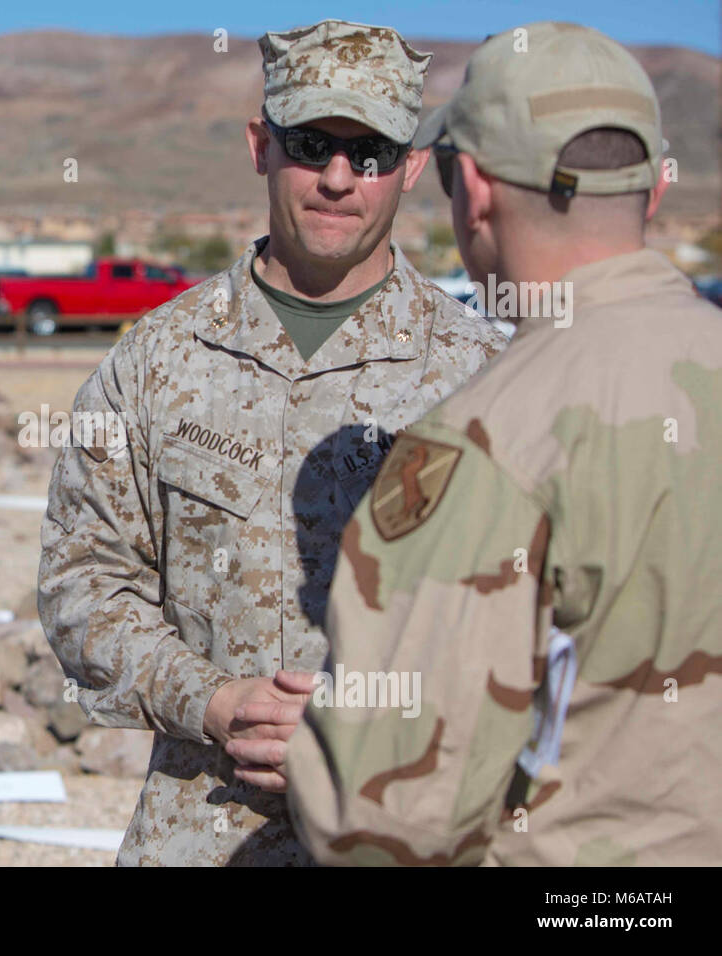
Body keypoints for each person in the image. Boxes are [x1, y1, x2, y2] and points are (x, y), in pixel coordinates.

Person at [38, 19, 506, 866]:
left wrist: (372, 727)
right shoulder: (156, 360)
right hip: (202, 836)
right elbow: (82, 582)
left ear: (408, 167)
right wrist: (215, 702)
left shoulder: (486, 375)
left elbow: (539, 623)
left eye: (368, 153)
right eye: (311, 142)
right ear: (261, 145)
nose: (336, 179)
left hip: (410, 838)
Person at [267, 21, 722, 865]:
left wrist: (325, 741)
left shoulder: (494, 438)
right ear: (650, 194)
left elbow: (386, 824)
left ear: (471, 188)